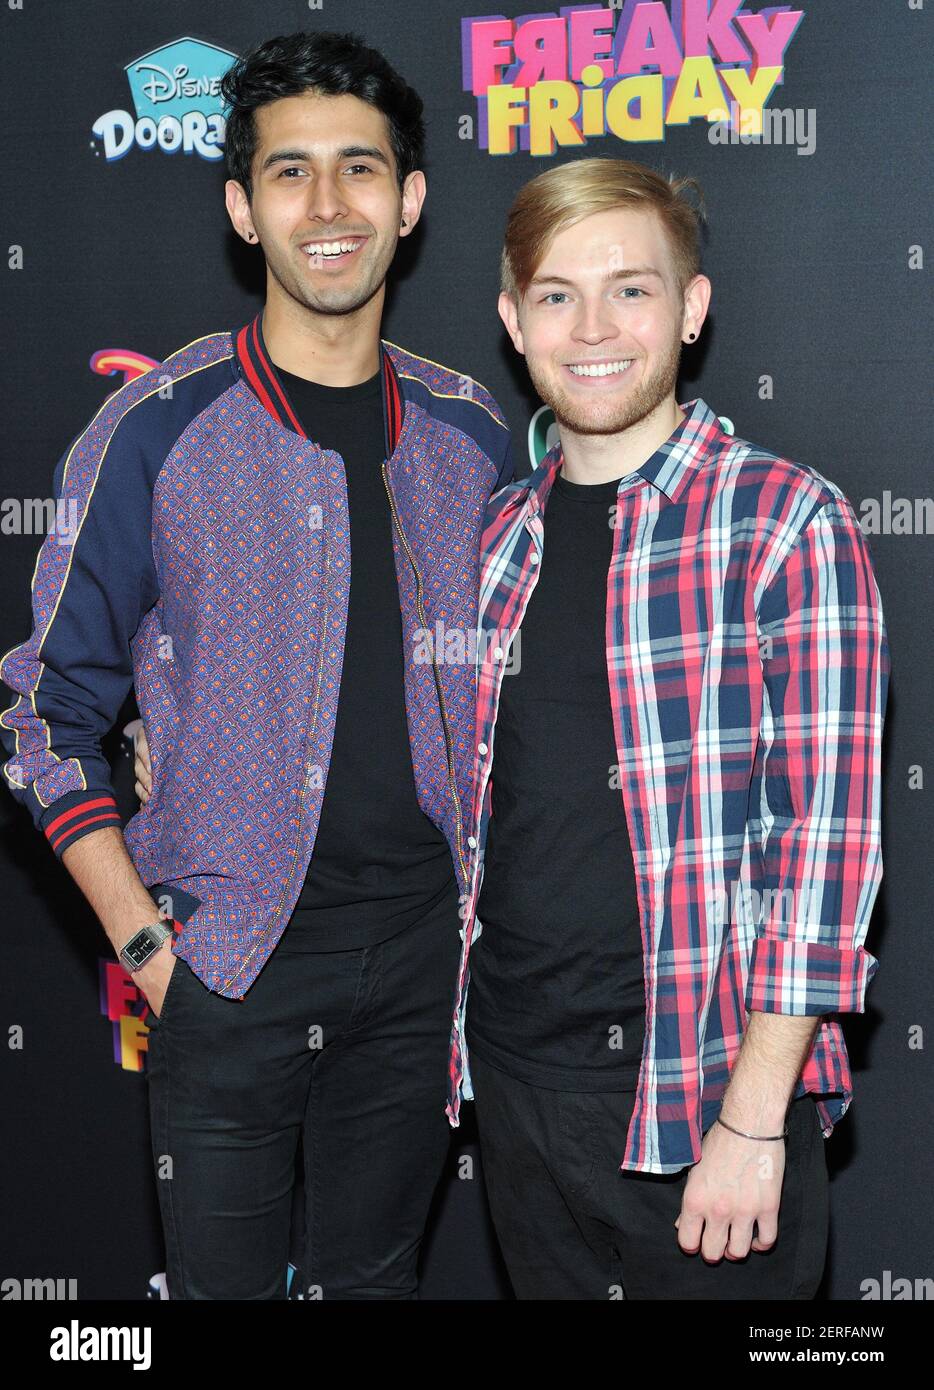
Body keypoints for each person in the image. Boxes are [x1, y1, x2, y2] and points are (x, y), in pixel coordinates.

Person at [0, 30, 511, 1300]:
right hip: (225, 965)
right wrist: (149, 948)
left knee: (373, 1286)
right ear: (242, 209)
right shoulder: (156, 428)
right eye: (290, 173)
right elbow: (42, 714)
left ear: (410, 199)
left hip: (423, 966)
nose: (328, 206)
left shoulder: (472, 435)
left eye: (358, 168)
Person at [442, 158, 890, 1299]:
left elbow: (822, 851)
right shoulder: (490, 541)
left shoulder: (787, 521)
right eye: (555, 295)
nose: (592, 328)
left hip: (702, 1095)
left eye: (630, 290)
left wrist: (752, 1121)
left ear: (690, 309)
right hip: (513, 1078)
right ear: (512, 320)